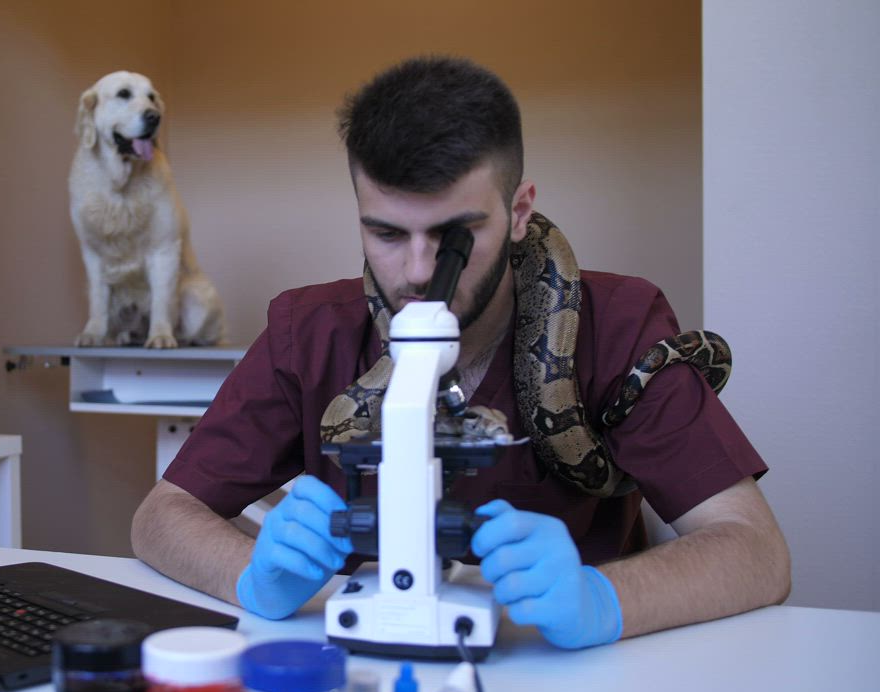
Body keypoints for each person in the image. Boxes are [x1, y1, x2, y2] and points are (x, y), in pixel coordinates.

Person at [130, 56, 790, 649]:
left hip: (564, 677)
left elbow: (755, 548)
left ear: (520, 211)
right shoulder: (308, 330)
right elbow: (161, 516)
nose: (419, 272)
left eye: (454, 237)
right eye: (387, 234)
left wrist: (604, 599)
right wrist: (254, 576)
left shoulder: (619, 323)